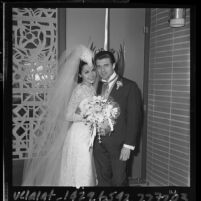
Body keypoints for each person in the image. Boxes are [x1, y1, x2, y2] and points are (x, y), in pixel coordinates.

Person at [22, 45, 97, 187]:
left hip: (88, 134)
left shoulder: (92, 88)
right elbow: (68, 115)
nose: (91, 74)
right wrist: (88, 117)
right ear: (80, 74)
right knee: (82, 167)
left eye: (93, 70)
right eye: (87, 72)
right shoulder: (79, 90)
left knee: (85, 167)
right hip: (79, 135)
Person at [93, 50, 143, 186]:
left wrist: (128, 146)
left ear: (113, 65)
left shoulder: (130, 86)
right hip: (99, 143)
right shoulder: (97, 86)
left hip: (119, 145)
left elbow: (134, 119)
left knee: (119, 181)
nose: (102, 70)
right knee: (103, 180)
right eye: (98, 66)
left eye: (106, 65)